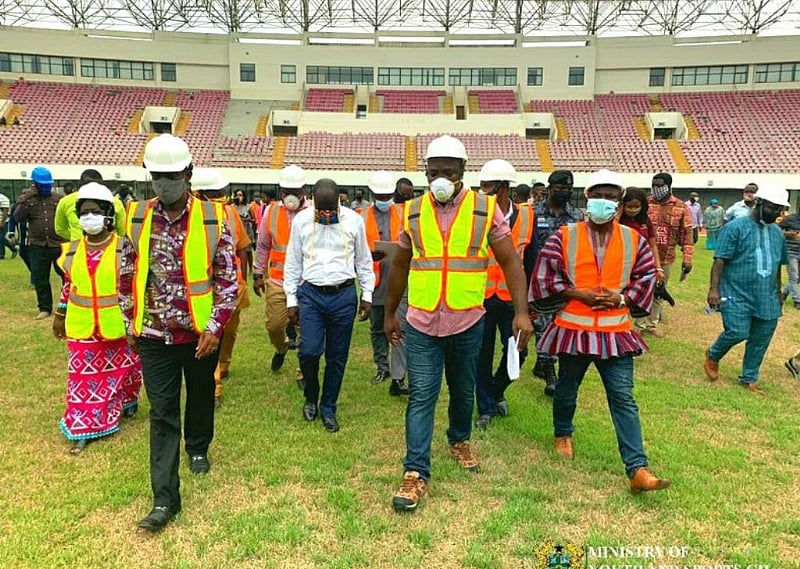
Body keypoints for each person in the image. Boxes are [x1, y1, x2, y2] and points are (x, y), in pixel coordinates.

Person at [384, 135, 532, 512]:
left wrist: (521, 311)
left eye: (449, 172)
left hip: (468, 320)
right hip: (420, 321)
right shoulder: (413, 211)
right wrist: (389, 313)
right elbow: (400, 265)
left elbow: (512, 262)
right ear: (426, 172)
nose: (441, 179)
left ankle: (458, 439)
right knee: (422, 396)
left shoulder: (484, 210)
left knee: (463, 389)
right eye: (434, 172)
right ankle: (415, 473)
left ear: (463, 172)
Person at [118, 134, 239, 532]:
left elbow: (227, 280)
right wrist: (128, 319)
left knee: (201, 398)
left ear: (189, 174)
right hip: (153, 335)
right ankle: (165, 500)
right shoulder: (135, 216)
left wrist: (215, 327)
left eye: (172, 176)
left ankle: (199, 447)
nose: (165, 184)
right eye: (158, 177)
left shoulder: (212, 218)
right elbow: (124, 273)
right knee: (163, 413)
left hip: (199, 335)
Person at [530, 169, 669, 494]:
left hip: (615, 332)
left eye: (610, 197)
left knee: (623, 397)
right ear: (587, 199)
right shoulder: (565, 236)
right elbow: (545, 276)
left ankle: (637, 468)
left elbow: (647, 277)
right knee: (566, 389)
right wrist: (578, 293)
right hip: (574, 330)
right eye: (598, 196)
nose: (603, 202)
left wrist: (621, 297)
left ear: (619, 204)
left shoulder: (633, 240)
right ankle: (563, 432)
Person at [53, 182, 142, 454]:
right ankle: (83, 425)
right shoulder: (71, 250)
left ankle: (126, 401)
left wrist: (135, 321)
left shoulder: (123, 248)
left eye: (94, 211)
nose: (87, 217)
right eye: (83, 212)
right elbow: (69, 285)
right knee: (83, 379)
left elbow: (133, 286)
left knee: (124, 370)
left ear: (108, 215)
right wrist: (59, 314)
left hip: (117, 324)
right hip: (81, 326)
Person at [284, 179, 375, 433]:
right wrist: (292, 299)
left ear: (339, 200)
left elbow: (364, 260)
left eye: (330, 208)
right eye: (320, 208)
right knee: (309, 351)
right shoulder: (301, 221)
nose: (325, 214)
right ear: (313, 200)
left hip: (343, 294)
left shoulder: (353, 221)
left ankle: (328, 407)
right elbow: (293, 262)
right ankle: (311, 395)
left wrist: (367, 294)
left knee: (337, 356)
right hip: (311, 294)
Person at [704, 186, 790, 396]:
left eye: (779, 209)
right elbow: (720, 260)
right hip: (736, 291)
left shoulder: (777, 233)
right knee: (737, 331)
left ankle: (749, 377)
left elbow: (777, 263)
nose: (776, 213)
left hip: (766, 294)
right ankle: (714, 354)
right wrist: (713, 289)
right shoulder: (735, 227)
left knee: (761, 337)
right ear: (759, 203)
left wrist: (778, 292)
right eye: (772, 208)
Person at [474, 160, 537, 431]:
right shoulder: (476, 215)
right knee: (481, 354)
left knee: (518, 353)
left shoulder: (527, 217)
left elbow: (530, 260)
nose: (483, 191)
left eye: (488, 187)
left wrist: (530, 302)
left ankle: (497, 388)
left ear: (503, 188)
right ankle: (486, 405)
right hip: (481, 297)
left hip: (513, 299)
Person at [192, 168, 252, 409]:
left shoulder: (230, 213)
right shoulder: (192, 216)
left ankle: (224, 365)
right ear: (199, 193)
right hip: (203, 287)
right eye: (215, 193)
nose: (221, 196)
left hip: (232, 285)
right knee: (209, 331)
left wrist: (243, 279)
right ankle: (214, 384)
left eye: (222, 192)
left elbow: (242, 247)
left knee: (230, 331)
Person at [253, 165, 310, 383]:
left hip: (306, 281)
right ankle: (282, 347)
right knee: (274, 325)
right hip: (278, 280)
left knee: (306, 328)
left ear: (304, 190)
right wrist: (258, 272)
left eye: (296, 190)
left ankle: (303, 372)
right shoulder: (271, 211)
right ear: (281, 191)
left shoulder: (313, 212)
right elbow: (263, 245)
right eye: (287, 191)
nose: (291, 196)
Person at [532, 170, 583, 396]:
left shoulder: (577, 216)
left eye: (568, 189)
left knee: (561, 323)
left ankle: (544, 363)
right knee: (542, 323)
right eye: (560, 188)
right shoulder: (532, 213)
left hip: (565, 279)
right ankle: (549, 371)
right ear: (549, 188)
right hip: (540, 280)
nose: (564, 192)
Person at [361, 171, 409, 395]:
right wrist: (368, 255)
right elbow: (353, 249)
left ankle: (398, 377)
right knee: (377, 327)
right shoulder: (360, 217)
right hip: (375, 280)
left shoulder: (405, 213)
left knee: (400, 326)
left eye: (387, 195)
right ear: (372, 194)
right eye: (379, 196)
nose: (383, 200)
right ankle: (382, 368)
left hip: (400, 279)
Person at [635, 172, 693, 338]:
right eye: (654, 185)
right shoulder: (644, 203)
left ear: (669, 186)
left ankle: (651, 325)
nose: (656, 188)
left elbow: (687, 234)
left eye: (660, 185)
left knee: (659, 291)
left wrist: (687, 258)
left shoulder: (681, 207)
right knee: (641, 289)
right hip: (642, 255)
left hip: (666, 256)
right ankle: (639, 324)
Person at [13, 166, 67, 319]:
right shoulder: (27, 200)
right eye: (42, 185)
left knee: (66, 275)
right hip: (38, 245)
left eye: (48, 184)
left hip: (59, 244)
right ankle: (44, 308)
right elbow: (18, 218)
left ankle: (67, 304)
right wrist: (24, 199)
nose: (45, 187)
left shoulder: (58, 199)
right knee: (40, 278)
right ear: (35, 184)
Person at [55, 169, 127, 241]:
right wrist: (77, 238)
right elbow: (60, 229)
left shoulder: (115, 202)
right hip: (78, 248)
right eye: (84, 213)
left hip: (110, 246)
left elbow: (122, 230)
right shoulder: (65, 202)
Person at [618, 188, 664, 283]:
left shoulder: (645, 221)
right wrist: (617, 215)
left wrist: (658, 267)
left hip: (642, 264)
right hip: (621, 265)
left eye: (637, 206)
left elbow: (652, 245)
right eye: (629, 206)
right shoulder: (617, 221)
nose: (633, 210)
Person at [779, 207, 800, 309]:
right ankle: (797, 301)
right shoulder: (790, 218)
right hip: (791, 252)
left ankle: (784, 292)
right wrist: (788, 234)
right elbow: (777, 229)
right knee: (794, 277)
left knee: (798, 278)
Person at [0, 191, 17, 260]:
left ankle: (1, 255)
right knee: (1, 238)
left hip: (3, 221)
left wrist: (2, 222)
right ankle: (13, 249)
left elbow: (5, 211)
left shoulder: (3, 198)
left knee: (0, 238)